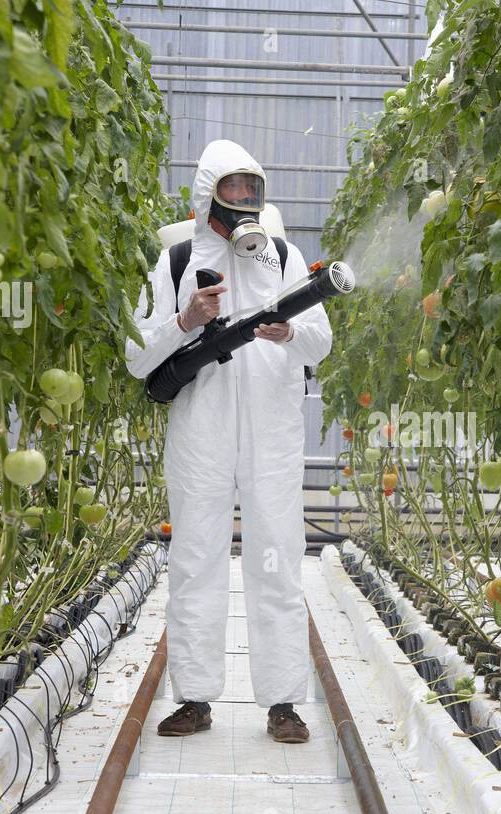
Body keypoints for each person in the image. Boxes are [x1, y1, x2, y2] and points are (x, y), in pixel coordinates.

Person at [125, 140, 332, 743]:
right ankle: (193, 697)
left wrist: (289, 330)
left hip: (271, 433)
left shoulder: (286, 257)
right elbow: (139, 358)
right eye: (231, 190)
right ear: (207, 194)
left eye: (251, 190)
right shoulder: (176, 262)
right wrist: (186, 320)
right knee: (195, 559)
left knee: (278, 560)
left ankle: (283, 703)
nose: (243, 202)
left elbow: (321, 341)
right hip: (201, 435)